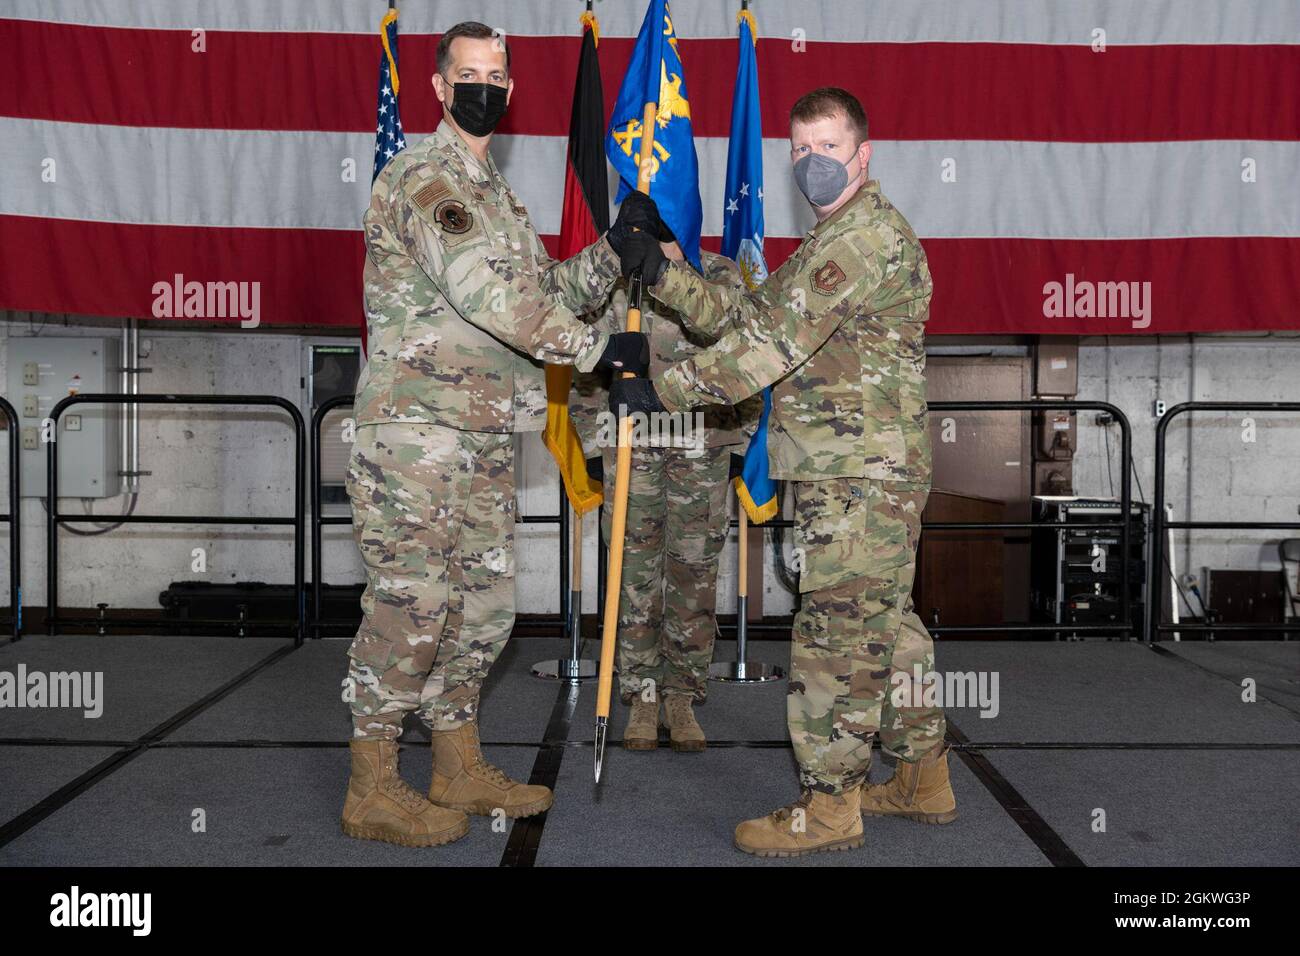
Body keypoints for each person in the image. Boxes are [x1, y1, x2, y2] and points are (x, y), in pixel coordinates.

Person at [611, 87, 956, 858]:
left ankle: (830, 808)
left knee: (836, 634)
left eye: (828, 147)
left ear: (863, 154)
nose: (812, 162)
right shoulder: (833, 239)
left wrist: (660, 392)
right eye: (800, 148)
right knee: (885, 626)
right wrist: (663, 273)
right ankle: (922, 776)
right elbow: (752, 319)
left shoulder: (859, 239)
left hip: (859, 475)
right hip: (862, 469)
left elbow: (763, 350)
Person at [342, 21, 655, 848]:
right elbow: (486, 295)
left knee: (483, 608)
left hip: (480, 430)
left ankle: (456, 764)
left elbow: (542, 290)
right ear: (439, 88)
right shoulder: (423, 178)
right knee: (412, 607)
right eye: (467, 75)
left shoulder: (498, 199)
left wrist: (613, 252)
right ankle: (370, 785)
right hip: (414, 432)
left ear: (510, 91)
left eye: (495, 77)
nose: (482, 88)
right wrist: (598, 352)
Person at [571, 253, 758, 753]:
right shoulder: (618, 276)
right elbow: (588, 364)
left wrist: (741, 441)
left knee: (694, 574)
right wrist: (591, 444)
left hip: (703, 442)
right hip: (630, 445)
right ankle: (643, 694)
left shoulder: (716, 273)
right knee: (634, 575)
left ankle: (681, 695)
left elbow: (748, 352)